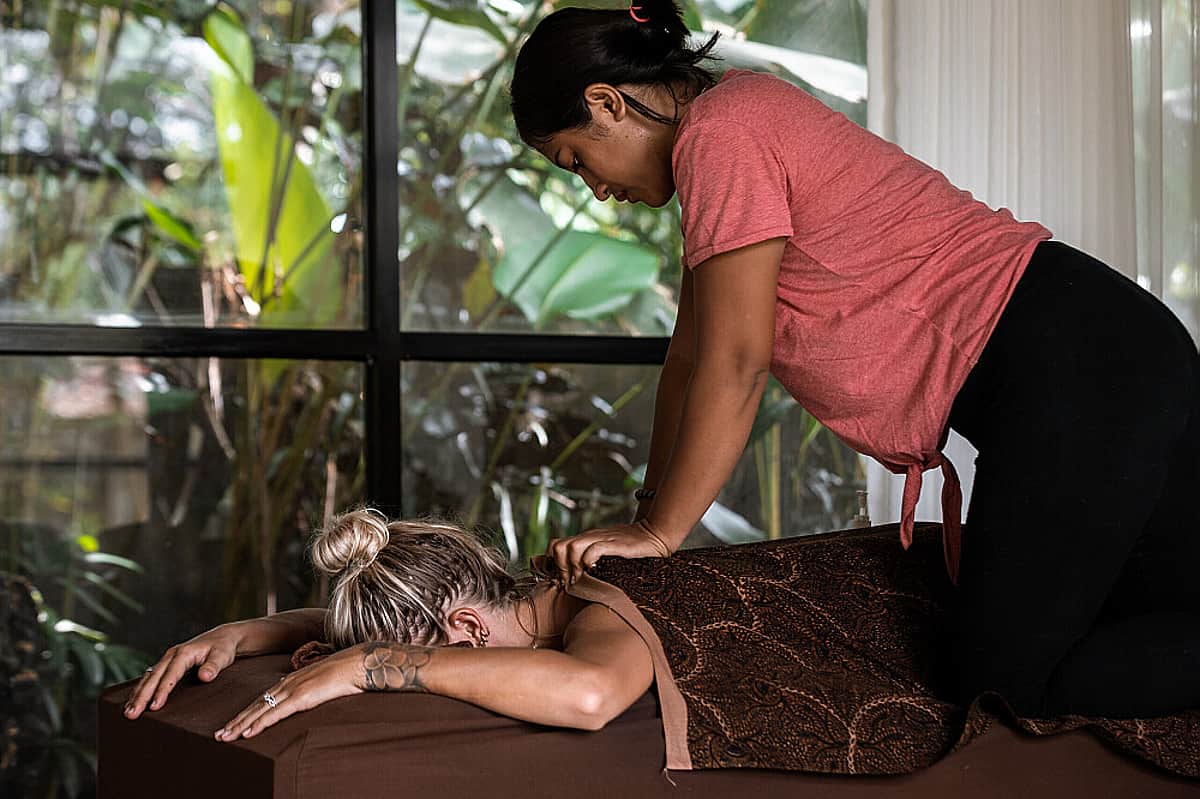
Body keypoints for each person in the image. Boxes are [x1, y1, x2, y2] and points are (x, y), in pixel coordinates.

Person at [513, 1, 1200, 718]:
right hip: (1109, 343)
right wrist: (645, 517)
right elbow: (690, 359)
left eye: (577, 159)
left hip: (1078, 371)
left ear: (606, 102)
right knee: (1158, 608)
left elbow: (738, 360)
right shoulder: (728, 123)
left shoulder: (723, 136)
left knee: (1008, 692)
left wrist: (660, 534)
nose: (594, 187)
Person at [122, 509, 654, 738]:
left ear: (468, 626)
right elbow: (404, 633)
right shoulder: (529, 605)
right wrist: (237, 634)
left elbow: (591, 697)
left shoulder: (600, 605)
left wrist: (374, 664)